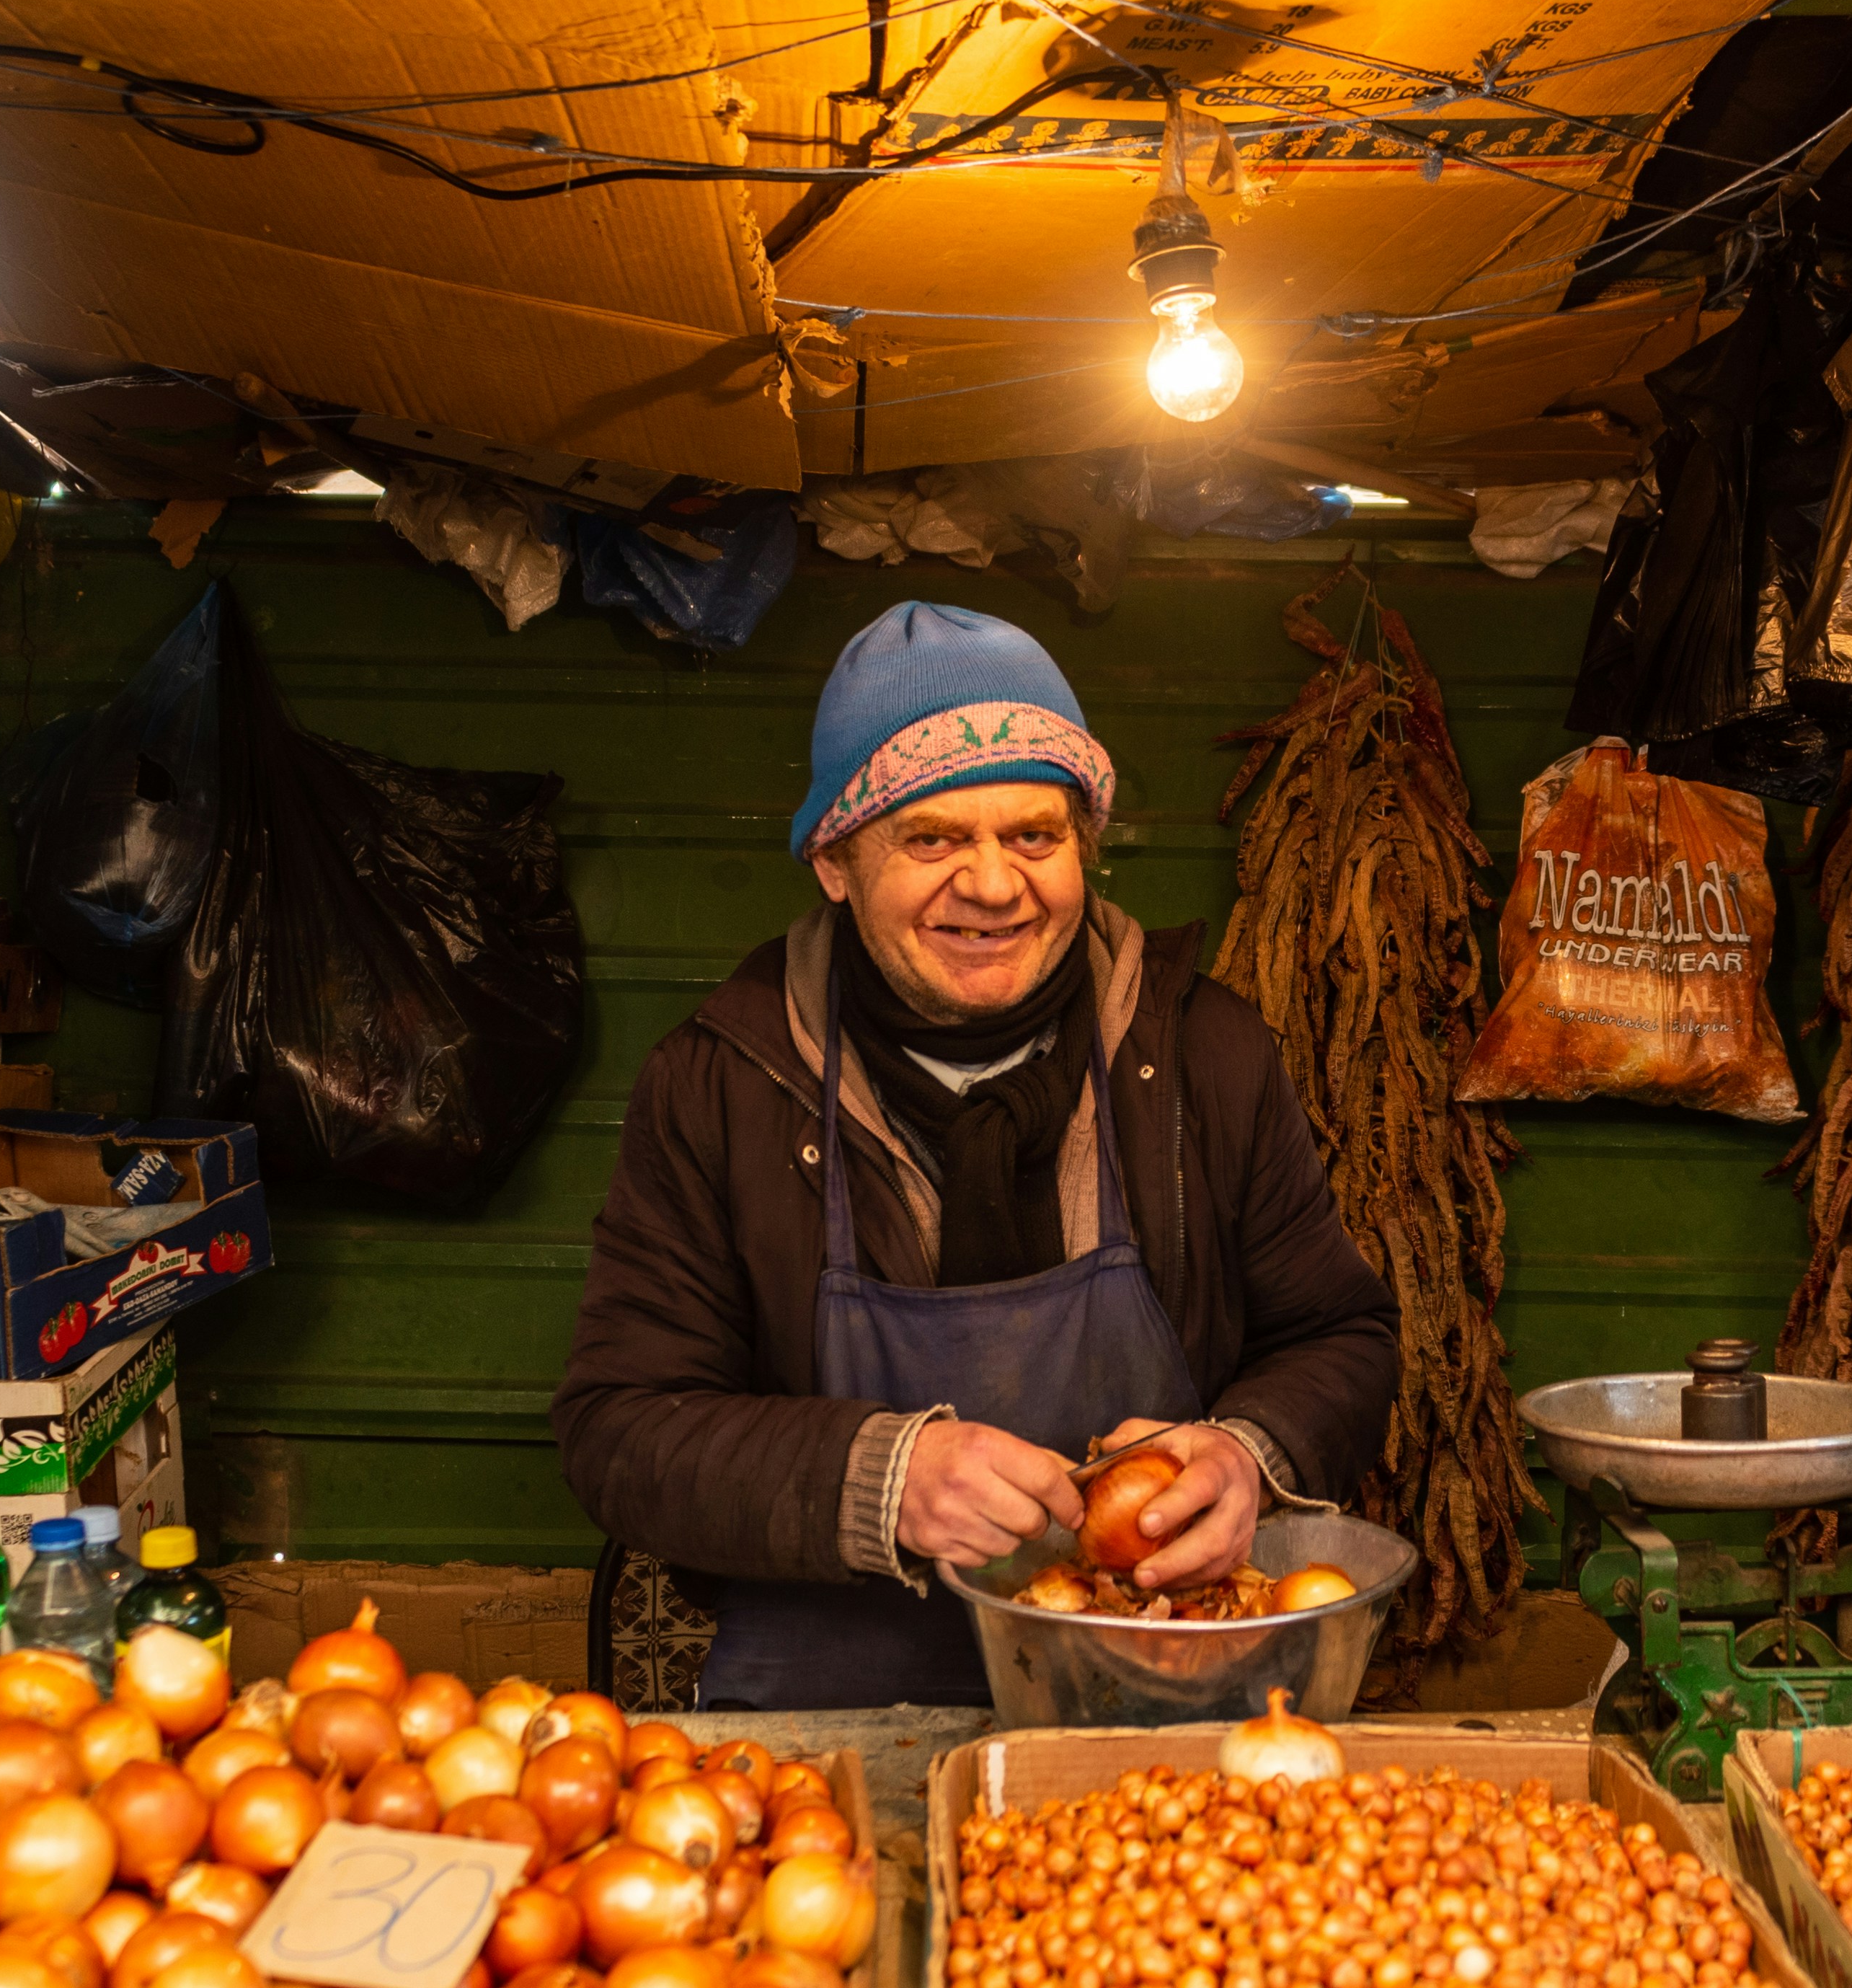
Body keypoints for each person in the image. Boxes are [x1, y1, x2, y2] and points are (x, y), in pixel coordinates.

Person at [554, 601, 1399, 1705]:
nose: (995, 886)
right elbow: (620, 1428)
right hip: (834, 1713)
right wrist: (880, 1479)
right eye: (932, 837)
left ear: (1083, 847)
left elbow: (1341, 1335)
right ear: (837, 863)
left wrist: (1250, 1451)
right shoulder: (721, 1084)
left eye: (1033, 836)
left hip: (1161, 1692)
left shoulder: (1202, 1055)